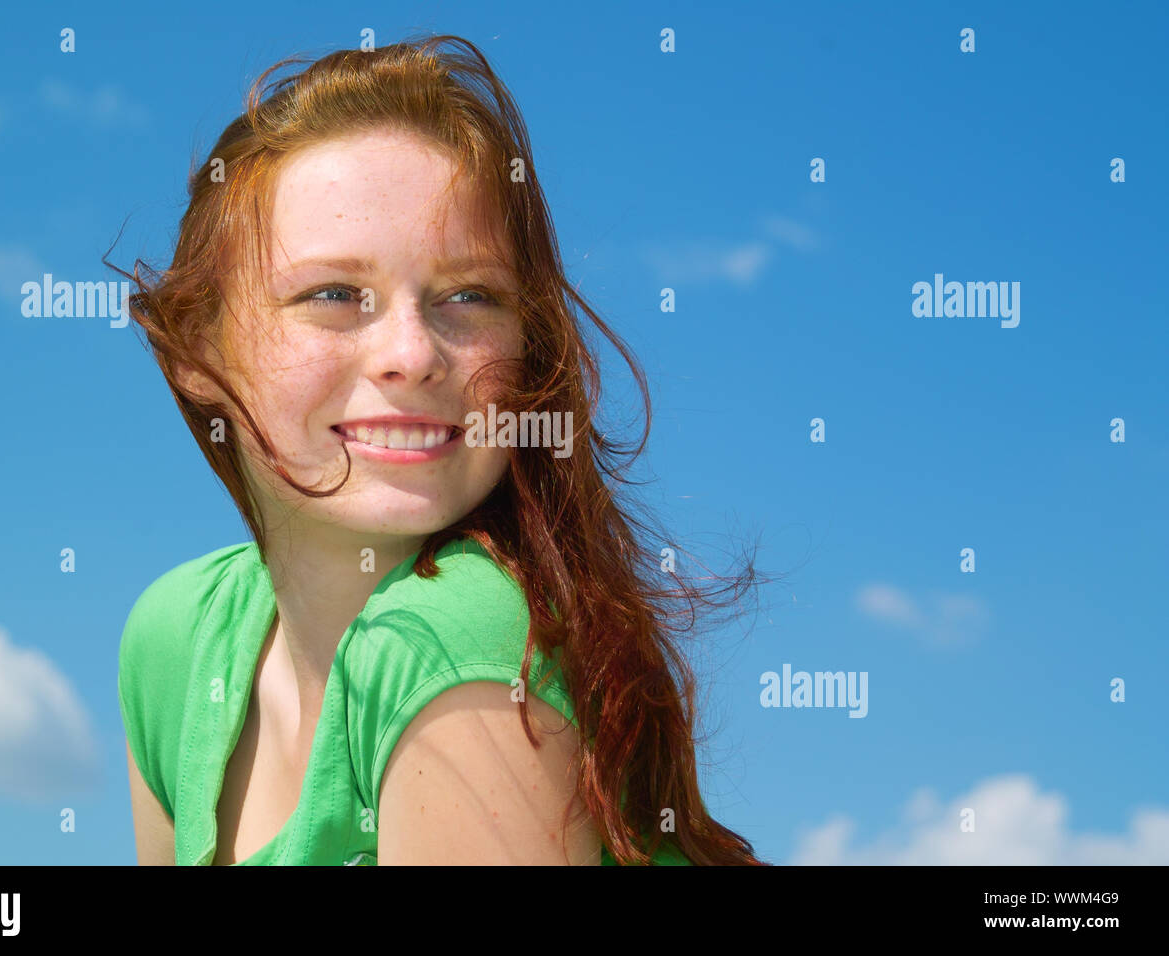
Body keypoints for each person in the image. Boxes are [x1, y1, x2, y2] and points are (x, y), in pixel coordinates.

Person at [113, 33, 767, 866]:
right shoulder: (173, 640)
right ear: (195, 355)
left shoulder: (458, 636)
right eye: (335, 295)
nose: (413, 353)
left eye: (470, 296)